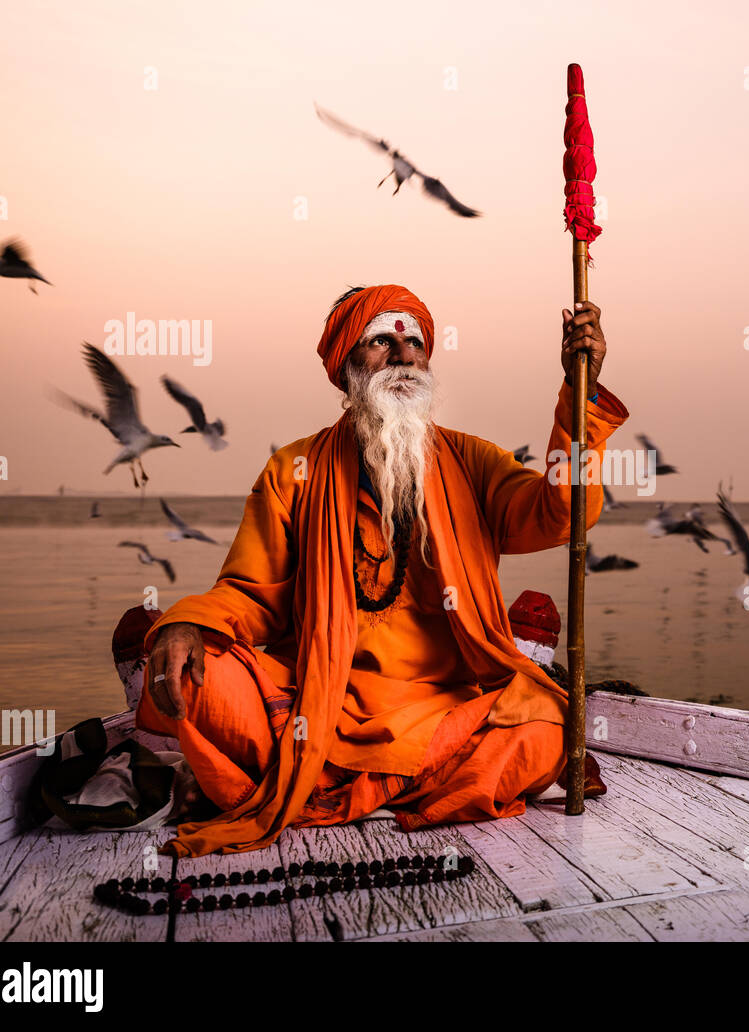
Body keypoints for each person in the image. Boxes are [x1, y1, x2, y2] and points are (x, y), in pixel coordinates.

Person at [132, 283, 628, 858]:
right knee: (200, 680)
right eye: (380, 340)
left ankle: (319, 782)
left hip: (446, 706)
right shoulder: (293, 470)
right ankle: (389, 783)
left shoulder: (472, 462)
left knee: (544, 736)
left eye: (414, 341)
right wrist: (186, 623)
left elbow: (560, 513)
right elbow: (250, 593)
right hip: (316, 697)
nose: (403, 353)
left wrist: (578, 397)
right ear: (346, 369)